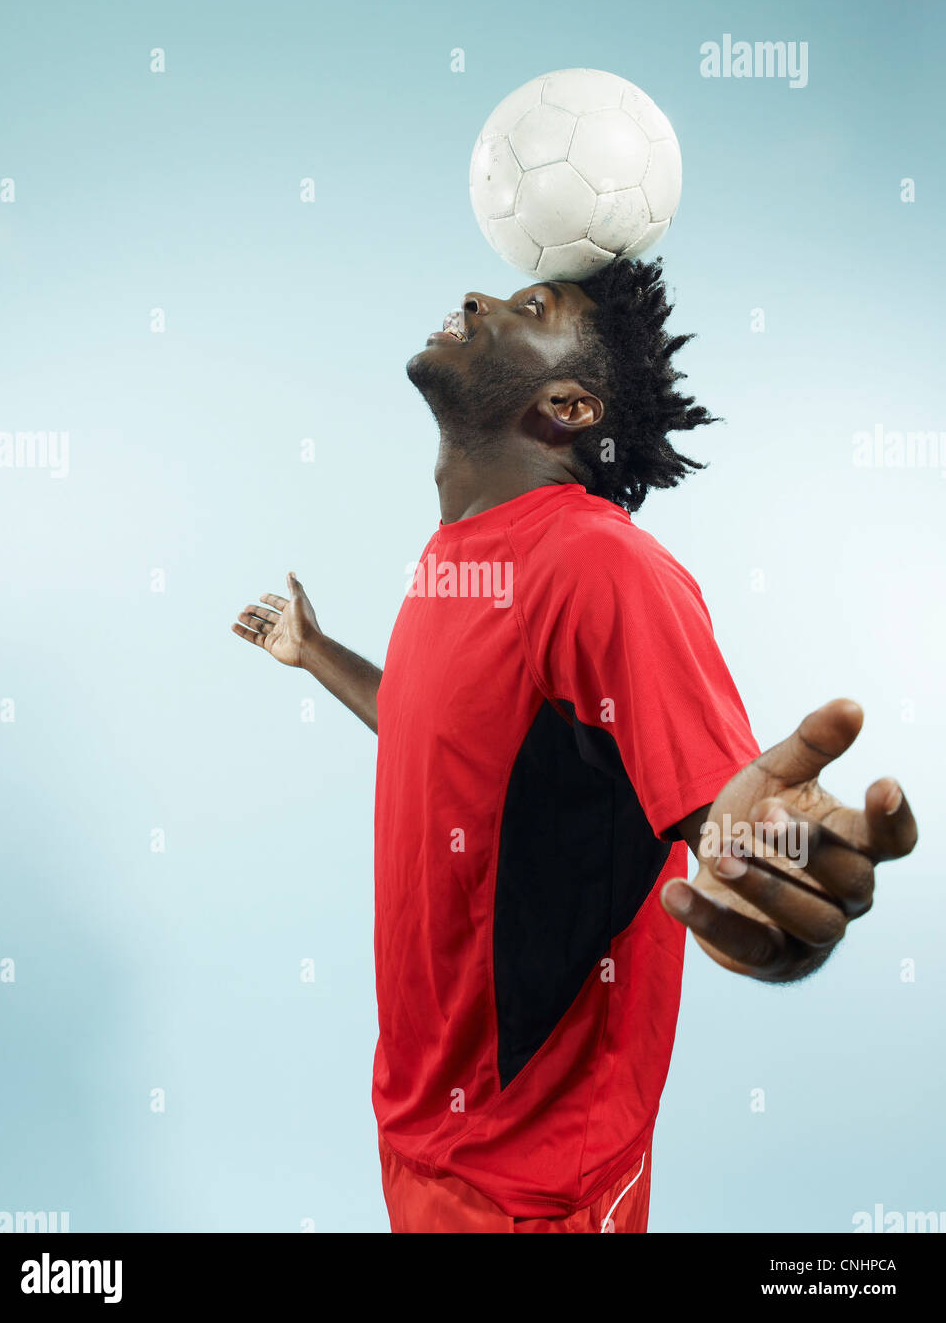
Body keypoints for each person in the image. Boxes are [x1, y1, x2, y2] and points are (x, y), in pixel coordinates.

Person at [231, 256, 917, 1233]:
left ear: (567, 403)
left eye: (529, 307)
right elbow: (446, 740)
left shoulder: (599, 566)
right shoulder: (456, 556)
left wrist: (783, 874)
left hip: (532, 1189)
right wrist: (316, 652)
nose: (475, 298)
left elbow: (726, 822)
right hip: (424, 1135)